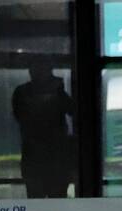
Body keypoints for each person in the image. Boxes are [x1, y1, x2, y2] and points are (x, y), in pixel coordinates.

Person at [12, 64, 76, 198]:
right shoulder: (54, 93)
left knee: (37, 205)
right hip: (54, 160)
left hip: (36, 160)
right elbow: (73, 111)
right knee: (55, 206)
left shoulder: (22, 92)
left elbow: (21, 118)